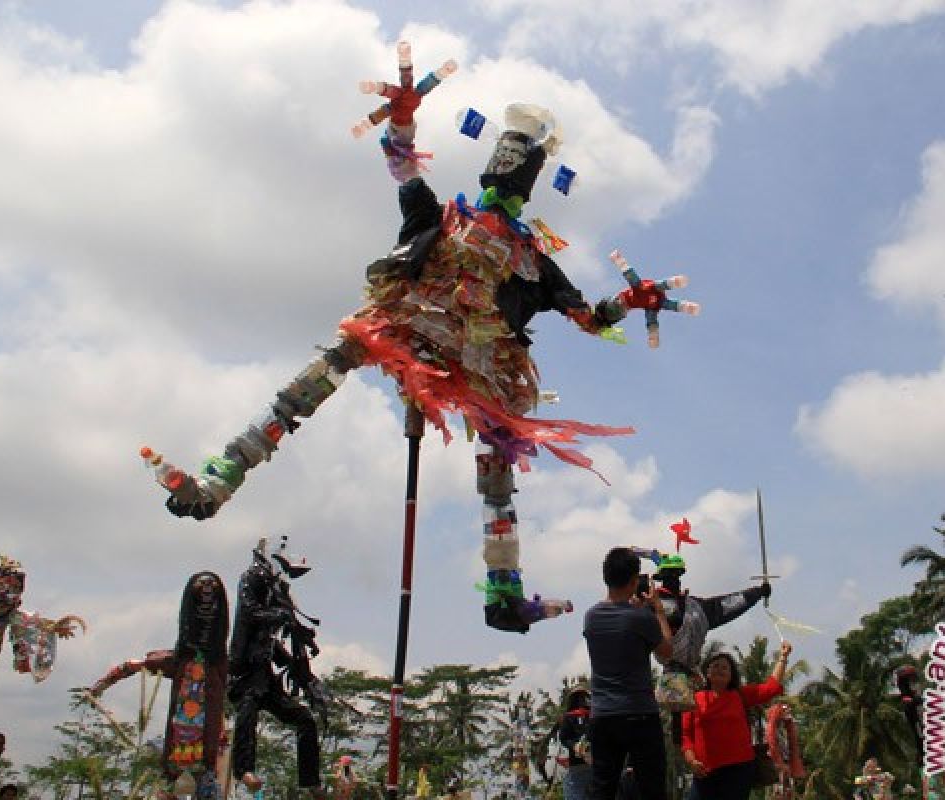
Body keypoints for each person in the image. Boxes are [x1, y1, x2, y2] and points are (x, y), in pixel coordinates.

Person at [141, 42, 695, 636]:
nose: (508, 166)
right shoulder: (443, 220)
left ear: (531, 178)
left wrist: (630, 301)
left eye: (520, 158)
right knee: (337, 356)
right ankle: (219, 480)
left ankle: (502, 591)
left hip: (480, 362)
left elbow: (588, 317)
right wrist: (403, 115)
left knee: (499, 450)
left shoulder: (534, 260)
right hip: (408, 325)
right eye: (505, 153)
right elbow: (404, 164)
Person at [88, 572, 229, 795]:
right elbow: (134, 665)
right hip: (177, 753)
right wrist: (102, 685)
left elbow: (133, 665)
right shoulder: (177, 662)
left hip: (207, 756)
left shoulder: (219, 666)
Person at [0, 558, 82, 769]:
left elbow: (33, 632)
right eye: (0, 587)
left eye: (14, 589)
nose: (5, 595)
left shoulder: (14, 617)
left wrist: (50, 630)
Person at [228, 538, 326, 797]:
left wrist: (303, 672)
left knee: (304, 719)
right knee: (247, 711)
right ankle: (243, 770)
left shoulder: (276, 588)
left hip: (266, 673)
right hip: (247, 670)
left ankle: (310, 780)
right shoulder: (251, 578)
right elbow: (249, 612)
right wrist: (280, 616)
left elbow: (275, 640)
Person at [583, 547, 674, 800]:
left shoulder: (590, 617)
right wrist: (657, 611)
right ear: (635, 580)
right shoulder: (641, 617)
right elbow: (667, 651)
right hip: (640, 713)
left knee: (603, 788)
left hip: (603, 715)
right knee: (652, 788)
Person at [680, 644, 789, 800]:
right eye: (715, 666)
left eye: (725, 667)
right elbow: (686, 736)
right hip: (704, 770)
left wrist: (783, 657)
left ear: (731, 676)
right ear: (707, 673)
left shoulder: (739, 695)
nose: (719, 669)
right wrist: (691, 760)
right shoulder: (693, 699)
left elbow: (771, 688)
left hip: (738, 770)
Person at [556, 688, 591, 800]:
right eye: (579, 697)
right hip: (577, 765)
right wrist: (575, 746)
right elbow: (564, 738)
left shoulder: (593, 716)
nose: (581, 700)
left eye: (583, 697)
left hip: (591, 763)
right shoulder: (569, 717)